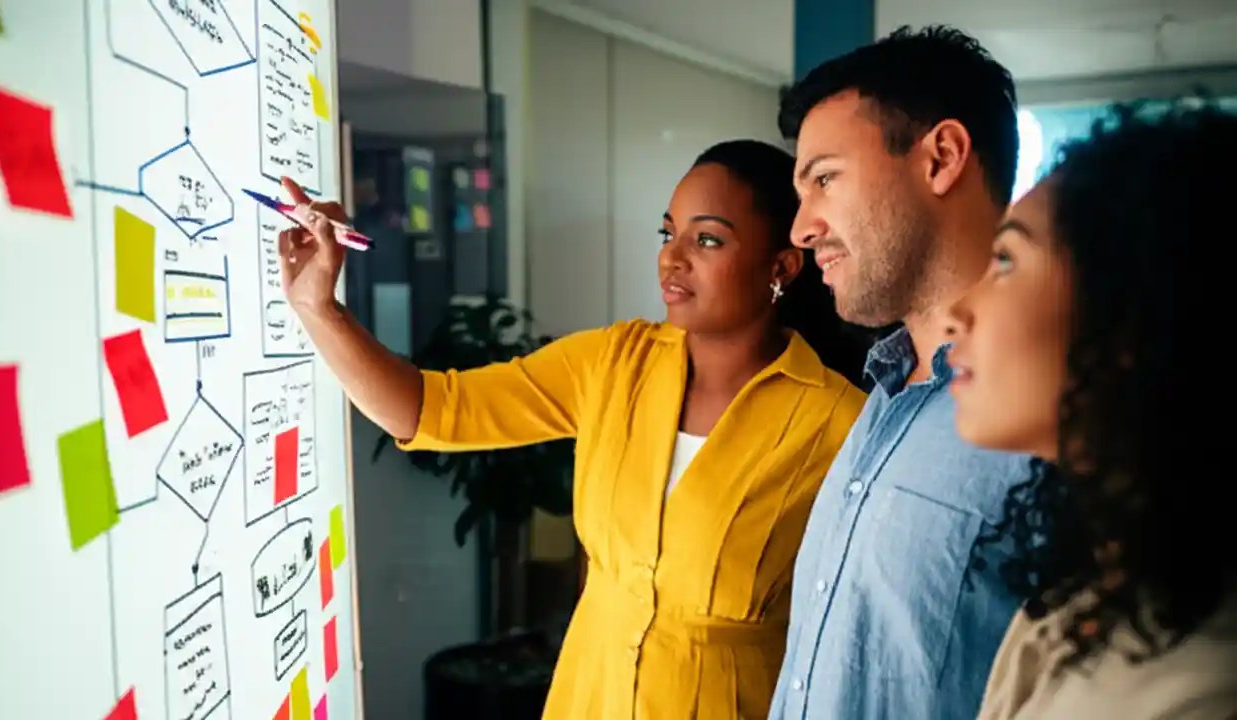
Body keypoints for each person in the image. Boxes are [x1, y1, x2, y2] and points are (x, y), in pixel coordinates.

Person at [277, 139, 869, 718]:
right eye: (668, 234)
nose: (673, 257)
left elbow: (859, 629)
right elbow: (431, 409)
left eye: (707, 239)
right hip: (588, 694)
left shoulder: (837, 421)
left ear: (782, 266)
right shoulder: (612, 364)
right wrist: (318, 307)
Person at [767, 26, 1034, 719]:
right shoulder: (882, 395)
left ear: (940, 157)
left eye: (825, 179)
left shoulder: (1060, 415)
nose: (801, 228)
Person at [946, 103, 1237, 718]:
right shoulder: (1081, 596)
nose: (958, 311)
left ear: (1132, 312)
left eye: (1005, 260)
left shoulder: (1202, 689)